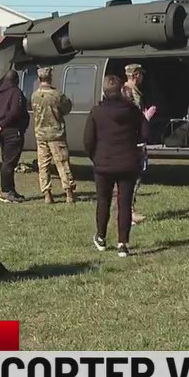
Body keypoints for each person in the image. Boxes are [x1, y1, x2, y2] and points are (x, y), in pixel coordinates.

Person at [84, 76, 149, 257]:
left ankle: (102, 237)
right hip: (128, 162)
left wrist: (95, 157)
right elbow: (144, 134)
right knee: (124, 204)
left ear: (104, 91)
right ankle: (123, 243)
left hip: (103, 163)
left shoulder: (96, 112)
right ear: (121, 90)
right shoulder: (133, 110)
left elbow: (88, 140)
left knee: (103, 200)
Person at [31, 66, 75, 204]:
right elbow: (67, 107)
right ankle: (68, 193)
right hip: (56, 134)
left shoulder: (34, 95)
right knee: (62, 163)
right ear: (50, 77)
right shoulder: (57, 95)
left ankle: (47, 194)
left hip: (40, 134)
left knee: (43, 165)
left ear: (39, 79)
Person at [0, 69, 28, 203]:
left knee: (7, 160)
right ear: (15, 80)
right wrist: (4, 124)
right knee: (9, 163)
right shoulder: (16, 93)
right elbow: (15, 112)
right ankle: (5, 191)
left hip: (1, 132)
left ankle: (11, 190)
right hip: (12, 131)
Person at [123, 63, 156, 224]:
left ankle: (129, 210)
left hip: (131, 140)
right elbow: (132, 118)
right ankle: (128, 212)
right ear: (136, 75)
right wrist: (146, 117)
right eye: (140, 74)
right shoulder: (130, 93)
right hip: (133, 141)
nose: (142, 77)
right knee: (134, 175)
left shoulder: (127, 91)